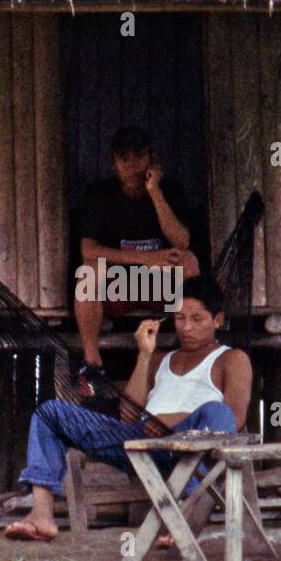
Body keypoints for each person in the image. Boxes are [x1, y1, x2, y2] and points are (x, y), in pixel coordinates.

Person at [5, 275, 252, 542]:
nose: (187, 327)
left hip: (190, 450)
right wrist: (144, 354)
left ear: (217, 320)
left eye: (197, 319)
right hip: (142, 444)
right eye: (180, 318)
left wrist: (169, 421)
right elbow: (129, 415)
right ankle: (42, 516)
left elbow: (234, 419)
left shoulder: (231, 358)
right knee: (49, 413)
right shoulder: (160, 360)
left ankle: (185, 516)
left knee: (217, 411)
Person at [76, 126, 199, 379]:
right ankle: (92, 364)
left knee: (189, 262)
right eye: (125, 158)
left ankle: (187, 350)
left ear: (151, 158)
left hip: (159, 287)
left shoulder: (169, 190)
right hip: (119, 287)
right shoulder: (100, 194)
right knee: (89, 271)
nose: (133, 165)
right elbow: (88, 250)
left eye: (139, 157)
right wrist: (148, 258)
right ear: (113, 162)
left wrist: (155, 191)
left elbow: (182, 241)